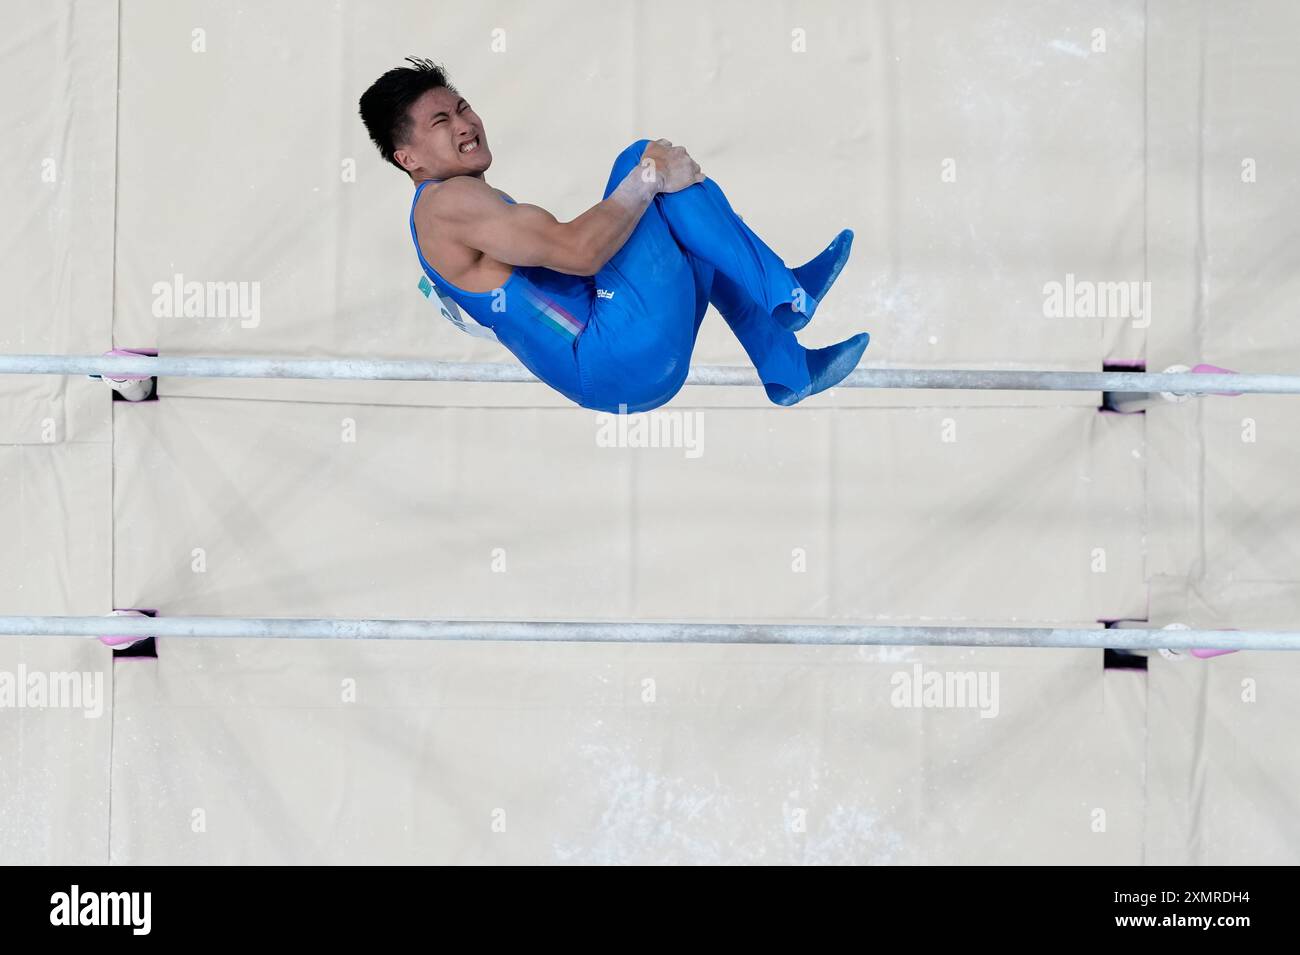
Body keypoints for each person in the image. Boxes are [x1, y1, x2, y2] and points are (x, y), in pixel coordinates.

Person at [359, 57, 869, 413]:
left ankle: (786, 361)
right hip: (610, 352)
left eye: (463, 107)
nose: (465, 123)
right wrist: (648, 175)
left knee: (683, 219)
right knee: (642, 162)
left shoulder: (452, 212)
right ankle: (784, 294)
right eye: (441, 121)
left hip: (623, 367)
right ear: (409, 159)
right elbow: (580, 253)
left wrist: (651, 181)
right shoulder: (446, 204)